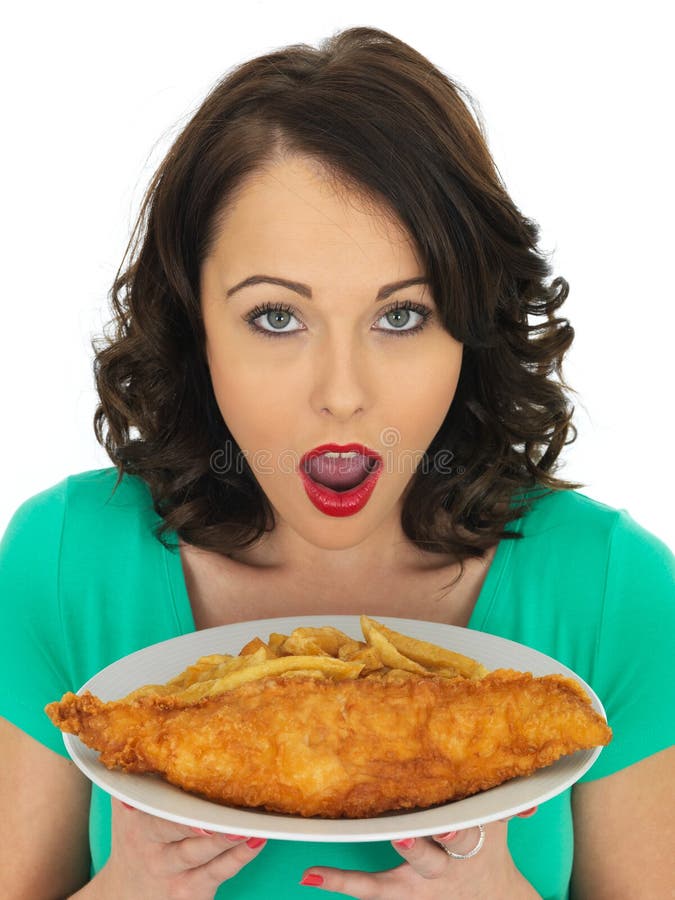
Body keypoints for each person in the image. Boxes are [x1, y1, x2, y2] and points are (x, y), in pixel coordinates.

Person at [1, 25, 673, 900]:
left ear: (470, 327)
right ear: (193, 324)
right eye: (276, 317)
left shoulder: (611, 586)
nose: (343, 394)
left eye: (401, 316)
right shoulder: (65, 563)